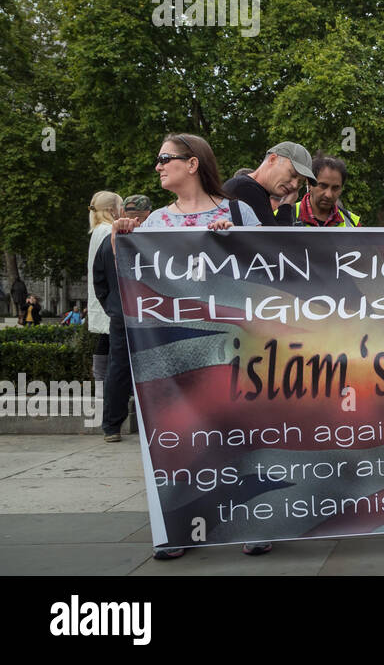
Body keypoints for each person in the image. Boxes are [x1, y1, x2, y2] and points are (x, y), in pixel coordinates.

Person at [114, 133, 266, 560]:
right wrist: (124, 234)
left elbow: (271, 267)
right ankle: (181, 528)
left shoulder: (239, 212)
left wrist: (236, 238)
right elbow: (137, 279)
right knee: (181, 437)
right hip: (175, 349)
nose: (158, 166)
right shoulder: (157, 223)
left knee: (243, 436)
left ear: (193, 163)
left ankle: (257, 523)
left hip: (236, 346)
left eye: (165, 158)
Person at [97, 195, 151, 444]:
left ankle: (111, 426)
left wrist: (111, 307)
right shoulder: (150, 238)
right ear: (146, 214)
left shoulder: (109, 242)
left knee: (117, 368)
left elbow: (99, 280)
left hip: (120, 312)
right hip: (149, 312)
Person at [223, 141, 315, 226]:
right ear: (272, 159)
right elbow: (277, 241)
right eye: (292, 174)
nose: (295, 185)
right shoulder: (246, 189)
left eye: (300, 182)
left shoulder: (249, 188)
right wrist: (286, 206)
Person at [86, 191, 123, 382]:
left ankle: (100, 380)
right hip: (110, 295)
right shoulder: (109, 232)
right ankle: (103, 382)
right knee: (110, 340)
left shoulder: (98, 230)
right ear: (112, 210)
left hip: (102, 294)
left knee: (105, 339)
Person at [289, 154, 360, 227]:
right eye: (323, 186)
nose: (328, 195)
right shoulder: (284, 216)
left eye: (335, 188)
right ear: (309, 184)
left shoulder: (353, 224)